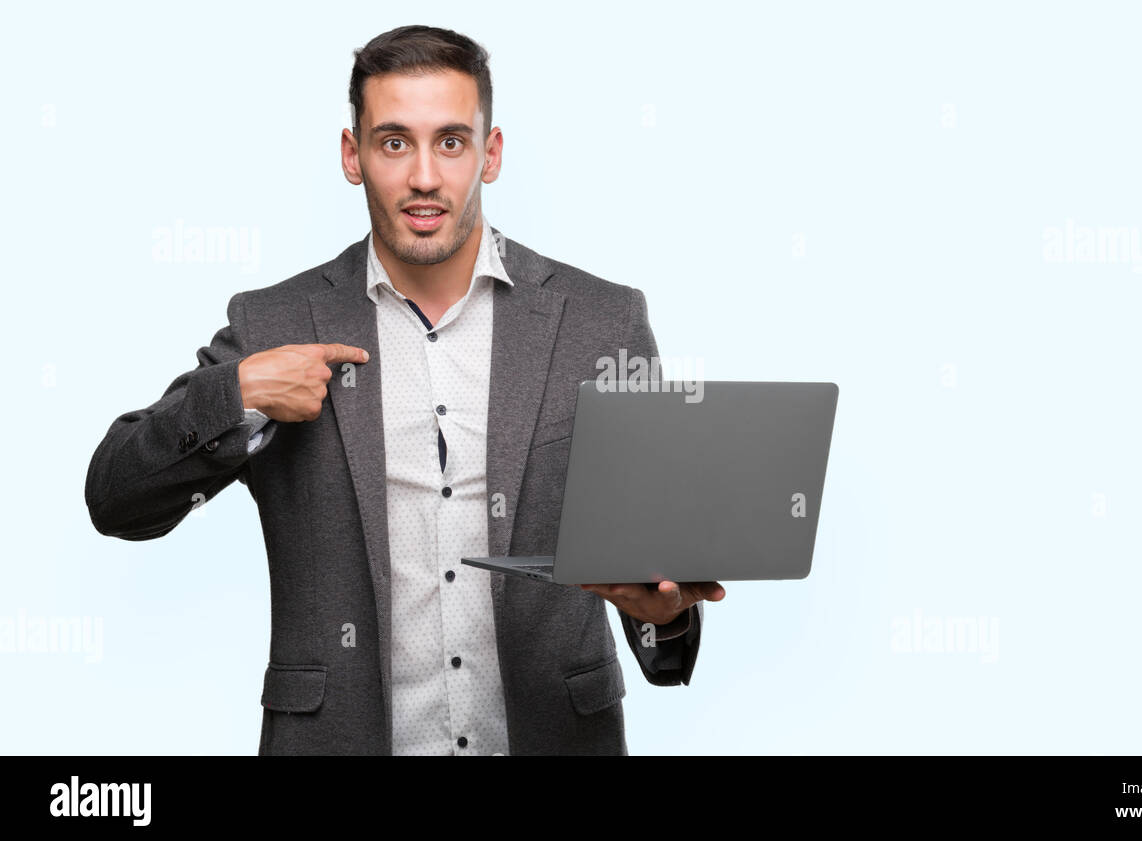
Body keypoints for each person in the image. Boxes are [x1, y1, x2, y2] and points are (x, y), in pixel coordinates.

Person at [85, 24, 725, 755]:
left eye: (451, 142)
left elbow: (663, 594)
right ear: (353, 157)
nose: (425, 175)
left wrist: (666, 618)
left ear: (491, 153)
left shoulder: (603, 323)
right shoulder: (273, 323)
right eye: (394, 142)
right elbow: (115, 498)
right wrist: (237, 394)